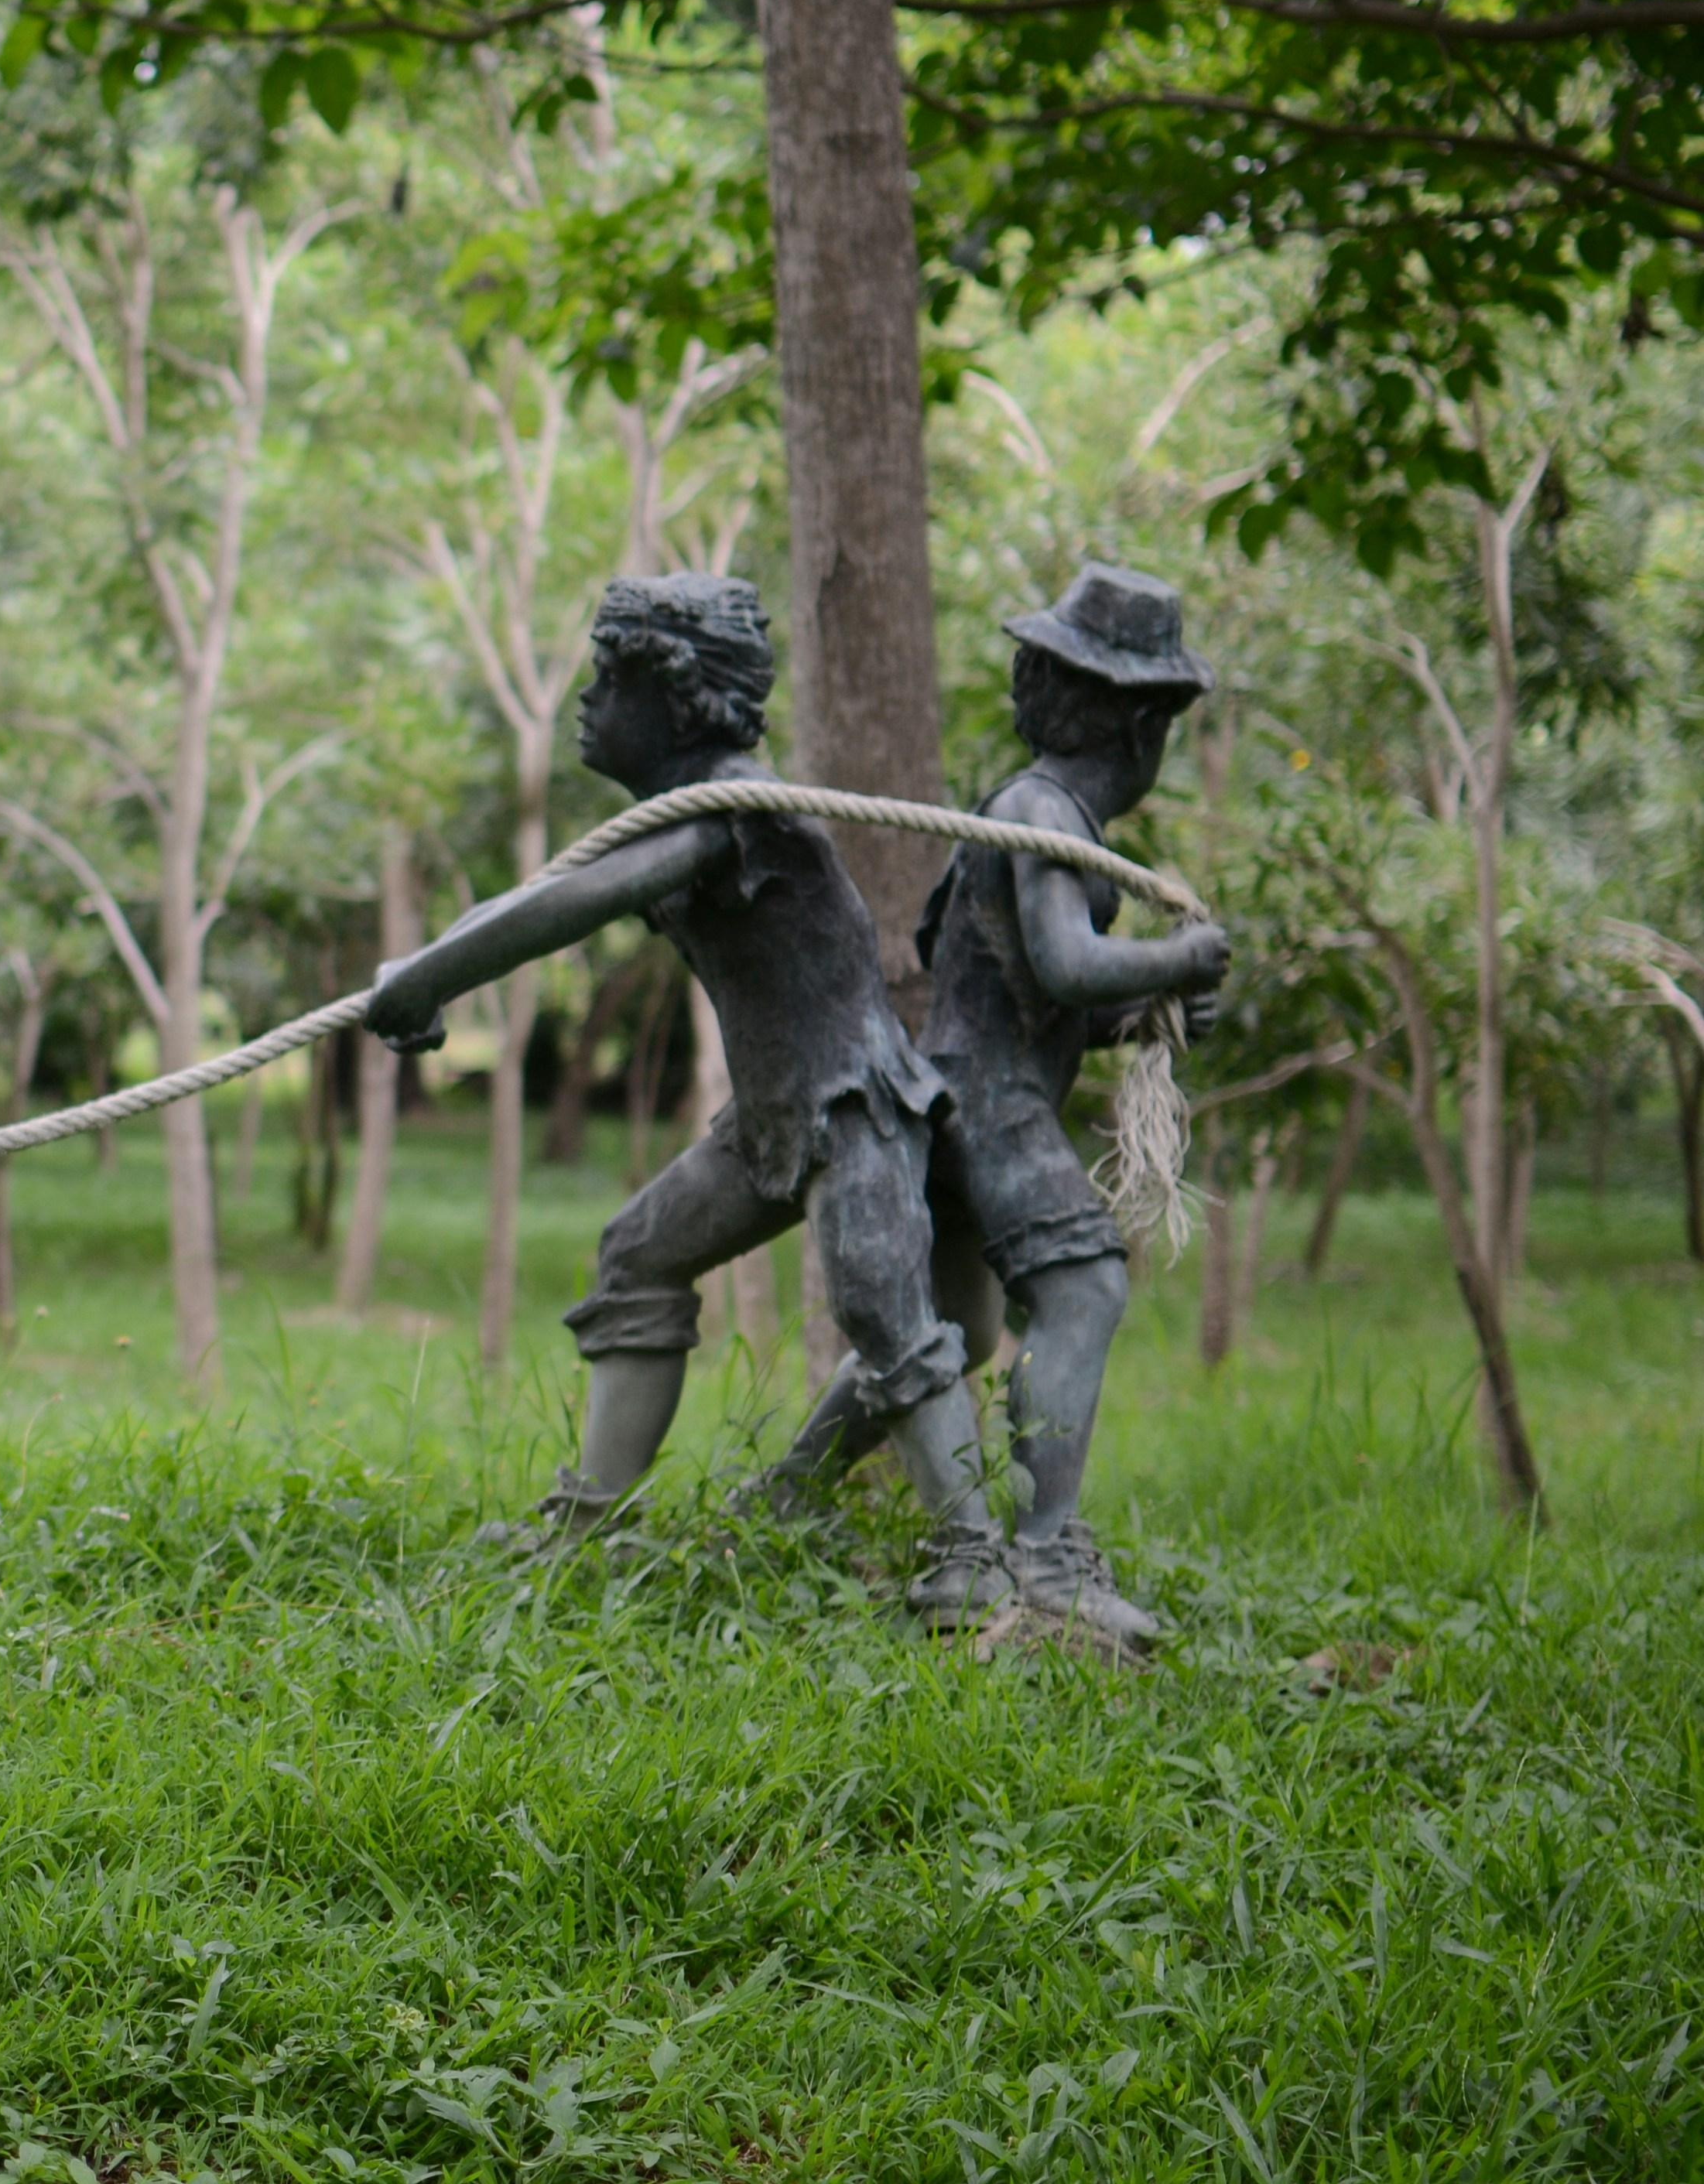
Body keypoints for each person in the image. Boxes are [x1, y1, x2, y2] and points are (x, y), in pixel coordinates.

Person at [364, 573, 1011, 1623]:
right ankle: (590, 1522)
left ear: (675, 700)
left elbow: (569, 902)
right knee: (639, 1257)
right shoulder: (687, 811)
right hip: (775, 1118)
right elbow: (560, 889)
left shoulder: (731, 811)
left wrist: (430, 973)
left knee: (892, 1315)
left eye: (609, 677)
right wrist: (431, 967)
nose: (586, 699)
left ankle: (976, 1558)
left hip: (854, 1108)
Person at [756, 563, 1228, 1647]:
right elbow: (1066, 964)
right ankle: (1050, 1556)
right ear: (1135, 722)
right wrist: (1173, 957)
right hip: (990, 1098)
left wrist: (1149, 1007)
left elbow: (1028, 989)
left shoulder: (1045, 818)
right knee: (1085, 1287)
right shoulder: (1037, 812)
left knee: (954, 1327)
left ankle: (785, 1500)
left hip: (965, 1081)